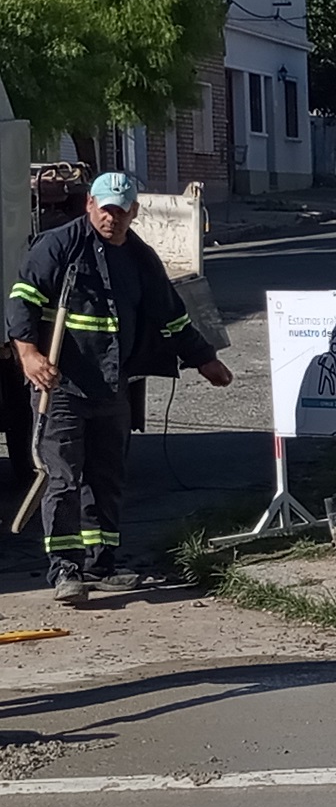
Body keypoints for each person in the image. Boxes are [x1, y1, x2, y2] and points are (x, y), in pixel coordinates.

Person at [6, 171, 233, 605]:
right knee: (64, 477)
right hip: (63, 386)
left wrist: (205, 359)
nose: (111, 218)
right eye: (104, 208)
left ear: (134, 210)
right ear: (90, 204)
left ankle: (100, 563)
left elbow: (172, 314)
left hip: (113, 385)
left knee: (106, 477)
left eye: (120, 210)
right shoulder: (58, 247)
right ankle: (66, 569)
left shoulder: (140, 258)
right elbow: (22, 299)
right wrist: (29, 355)